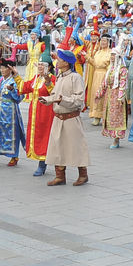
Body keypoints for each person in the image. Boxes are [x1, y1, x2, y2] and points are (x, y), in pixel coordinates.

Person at [42, 48, 89, 186]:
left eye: (60, 60)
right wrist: (48, 88)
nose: (57, 62)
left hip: (71, 117)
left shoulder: (75, 77)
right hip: (58, 117)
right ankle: (60, 176)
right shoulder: (60, 76)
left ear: (67, 63)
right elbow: (56, 94)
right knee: (58, 147)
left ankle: (83, 174)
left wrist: (61, 100)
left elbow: (79, 99)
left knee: (76, 147)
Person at [22, 54, 56, 176]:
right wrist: (15, 77)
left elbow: (54, 93)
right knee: (36, 135)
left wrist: (48, 83)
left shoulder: (52, 78)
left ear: (49, 67)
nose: (40, 66)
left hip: (46, 112)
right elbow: (25, 87)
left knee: (44, 136)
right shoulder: (36, 78)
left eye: (43, 65)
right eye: (39, 64)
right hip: (35, 112)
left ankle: (42, 163)